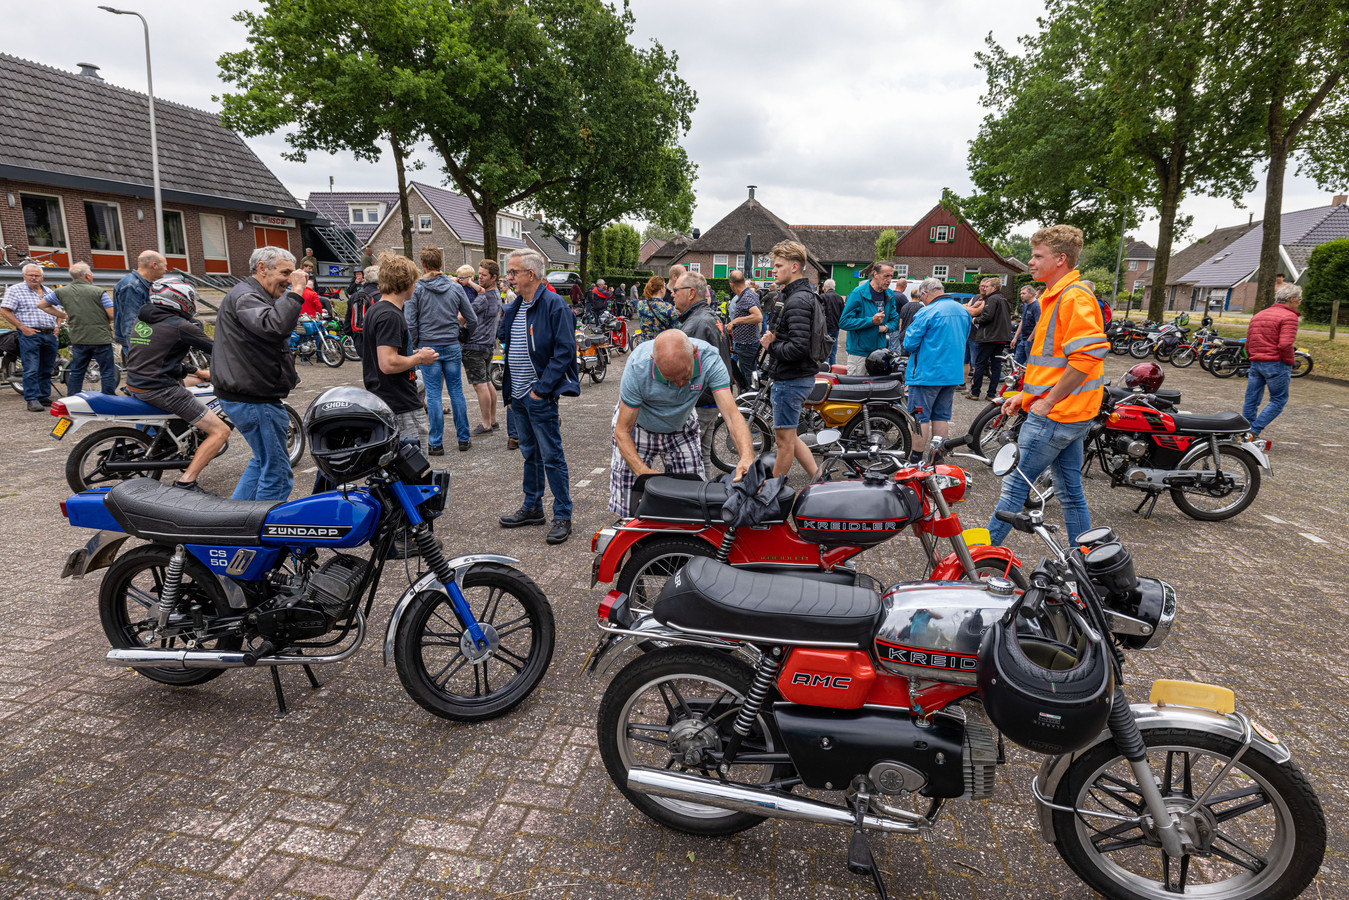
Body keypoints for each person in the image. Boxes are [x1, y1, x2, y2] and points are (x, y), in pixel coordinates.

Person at [987, 225, 1108, 547]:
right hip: (1070, 414)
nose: (1030, 261)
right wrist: (1026, 395)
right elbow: (1052, 363)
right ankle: (1084, 555)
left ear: (1061, 259)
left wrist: (1048, 401)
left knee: (1014, 486)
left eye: (1038, 256)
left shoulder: (1073, 297)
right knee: (1070, 492)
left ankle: (975, 562)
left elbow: (1088, 356)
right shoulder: (1054, 297)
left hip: (1055, 416)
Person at [608, 330, 755, 517]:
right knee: (629, 501)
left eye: (685, 377)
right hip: (638, 427)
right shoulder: (639, 366)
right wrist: (643, 473)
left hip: (681, 426)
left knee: (695, 498)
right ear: (654, 359)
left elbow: (732, 415)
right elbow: (622, 430)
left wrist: (747, 456)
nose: (679, 384)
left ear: (694, 354)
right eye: (670, 378)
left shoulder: (709, 359)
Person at [213, 246, 307, 501]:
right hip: (253, 398)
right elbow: (275, 327)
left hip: (249, 394)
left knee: (263, 462)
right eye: (285, 272)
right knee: (276, 472)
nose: (289, 279)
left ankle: (233, 523)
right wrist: (297, 291)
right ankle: (262, 533)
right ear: (262, 268)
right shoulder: (246, 297)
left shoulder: (251, 294)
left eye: (292, 273)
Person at [498, 248, 579, 545]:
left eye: (513, 273)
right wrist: (510, 392)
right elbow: (509, 351)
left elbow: (565, 352)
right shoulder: (516, 305)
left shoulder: (555, 305)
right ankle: (532, 507)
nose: (509, 278)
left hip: (537, 397)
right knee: (530, 454)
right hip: (518, 397)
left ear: (531, 274)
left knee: (551, 456)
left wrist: (540, 390)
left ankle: (562, 514)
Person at [124, 278, 229, 492]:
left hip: (137, 382)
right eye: (191, 300)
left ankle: (183, 436)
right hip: (160, 389)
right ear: (178, 300)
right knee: (220, 431)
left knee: (198, 380)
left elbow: (160, 356)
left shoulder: (144, 320)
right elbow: (221, 350)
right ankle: (186, 482)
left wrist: (196, 371)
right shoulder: (180, 326)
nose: (193, 305)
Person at [361, 253, 439, 448]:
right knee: (413, 470)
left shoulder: (376, 310)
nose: (416, 286)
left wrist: (412, 353)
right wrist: (420, 358)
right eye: (414, 281)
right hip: (400, 404)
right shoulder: (390, 316)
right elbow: (388, 363)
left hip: (385, 400)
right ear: (406, 282)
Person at [406, 246, 477, 454]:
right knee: (457, 392)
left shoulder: (417, 289)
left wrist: (416, 345)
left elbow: (410, 322)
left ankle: (436, 442)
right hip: (452, 344)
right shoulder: (455, 287)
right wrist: (463, 336)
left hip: (428, 346)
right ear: (441, 263)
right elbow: (471, 318)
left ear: (423, 265)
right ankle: (463, 439)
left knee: (434, 395)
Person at [760, 240, 821, 480]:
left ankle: (771, 494)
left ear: (794, 266)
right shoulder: (799, 296)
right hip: (796, 377)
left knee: (784, 441)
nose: (773, 270)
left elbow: (798, 348)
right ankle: (817, 477)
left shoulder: (796, 301)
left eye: (778, 265)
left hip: (790, 379)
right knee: (792, 437)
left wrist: (771, 345)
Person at [902, 278, 971, 462]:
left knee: (920, 417)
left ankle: (916, 458)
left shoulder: (927, 312)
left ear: (925, 293)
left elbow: (909, 343)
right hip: (951, 374)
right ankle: (938, 458)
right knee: (941, 417)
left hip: (927, 374)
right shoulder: (962, 311)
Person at [673, 270, 734, 471]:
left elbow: (685, 370)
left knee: (688, 461)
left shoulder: (696, 323)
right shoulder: (710, 317)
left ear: (691, 293)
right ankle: (703, 498)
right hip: (712, 399)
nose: (672, 294)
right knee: (703, 457)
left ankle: (694, 500)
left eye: (676, 290)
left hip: (700, 402)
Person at [0, 263, 67, 410]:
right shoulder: (15, 290)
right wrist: (22, 327)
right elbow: (5, 310)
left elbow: (58, 310)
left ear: (42, 277)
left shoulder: (49, 291)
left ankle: (43, 396)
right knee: (31, 367)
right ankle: (32, 399)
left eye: (37, 275)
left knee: (47, 367)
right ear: (24, 276)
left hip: (49, 334)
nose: (34, 278)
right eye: (30, 275)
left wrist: (57, 326)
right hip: (30, 334)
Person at [1242, 282, 1302, 439]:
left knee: (1252, 398)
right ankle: (1254, 430)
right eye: (1299, 299)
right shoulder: (1289, 317)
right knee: (1278, 400)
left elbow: (1248, 342)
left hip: (1256, 362)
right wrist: (1290, 360)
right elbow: (1285, 344)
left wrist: (1252, 356)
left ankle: (1244, 429)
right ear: (1292, 299)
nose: (1300, 302)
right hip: (1276, 363)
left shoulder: (1259, 315)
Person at [55, 262, 116, 395]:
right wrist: (104, 321)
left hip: (78, 338)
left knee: (77, 371)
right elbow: (112, 314)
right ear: (88, 276)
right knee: (107, 371)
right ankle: (108, 398)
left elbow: (42, 305)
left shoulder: (61, 292)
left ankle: (72, 398)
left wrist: (64, 315)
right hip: (100, 338)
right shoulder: (98, 291)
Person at [838, 261, 898, 375]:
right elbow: (843, 322)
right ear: (875, 274)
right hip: (859, 354)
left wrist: (885, 328)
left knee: (877, 391)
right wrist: (870, 321)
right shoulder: (858, 293)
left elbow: (895, 320)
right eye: (886, 276)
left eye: (891, 276)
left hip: (880, 354)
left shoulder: (890, 294)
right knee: (857, 390)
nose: (889, 280)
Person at [113, 250, 166, 355]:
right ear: (154, 265)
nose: (166, 269)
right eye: (164, 266)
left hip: (145, 340)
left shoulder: (144, 284)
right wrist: (138, 353)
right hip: (139, 345)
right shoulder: (132, 286)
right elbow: (130, 323)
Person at [968, 277, 1013, 401]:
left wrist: (975, 320)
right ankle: (991, 394)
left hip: (989, 337)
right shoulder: (1004, 300)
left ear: (993, 288)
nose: (984, 288)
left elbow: (987, 316)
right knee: (996, 366)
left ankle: (975, 392)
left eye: (987, 286)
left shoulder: (992, 299)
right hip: (1001, 338)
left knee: (980, 364)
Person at [726, 270, 763, 387]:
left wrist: (736, 321)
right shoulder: (750, 294)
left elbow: (758, 316)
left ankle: (750, 401)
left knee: (748, 377)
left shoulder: (746, 297)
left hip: (747, 344)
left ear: (732, 285)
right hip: (749, 342)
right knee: (749, 374)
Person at [347, 265, 379, 356]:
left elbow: (348, 320)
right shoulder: (382, 296)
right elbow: (349, 291)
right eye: (356, 274)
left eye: (359, 274)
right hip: (376, 340)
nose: (358, 275)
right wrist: (355, 284)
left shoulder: (354, 297)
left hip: (360, 338)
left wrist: (355, 336)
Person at [1010, 285, 1041, 366]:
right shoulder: (1025, 305)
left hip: (1031, 341)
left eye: (1023, 293)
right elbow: (1022, 321)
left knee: (1030, 365)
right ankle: (1016, 377)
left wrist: (1030, 339)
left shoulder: (1036, 306)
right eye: (1020, 294)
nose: (1021, 296)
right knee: (1016, 363)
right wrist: (1015, 337)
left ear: (1031, 294)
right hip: (1023, 339)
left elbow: (1038, 324)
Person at [637, 275, 675, 340]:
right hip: (660, 346)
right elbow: (677, 328)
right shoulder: (668, 307)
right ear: (661, 289)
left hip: (644, 345)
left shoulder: (640, 304)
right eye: (665, 287)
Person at [819, 278, 846, 366]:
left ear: (824, 287)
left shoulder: (822, 297)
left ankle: (826, 370)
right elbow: (843, 313)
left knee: (825, 351)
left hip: (825, 328)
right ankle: (833, 368)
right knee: (833, 351)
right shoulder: (839, 298)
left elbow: (819, 313)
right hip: (836, 328)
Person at [886, 276, 910, 352]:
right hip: (897, 325)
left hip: (888, 325)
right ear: (904, 286)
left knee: (890, 346)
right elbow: (908, 310)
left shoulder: (890, 294)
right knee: (895, 348)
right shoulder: (902, 297)